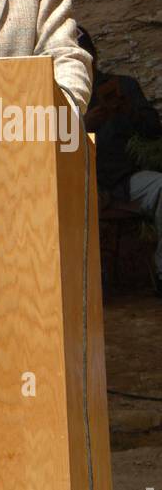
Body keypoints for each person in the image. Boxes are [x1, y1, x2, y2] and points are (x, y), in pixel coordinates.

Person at [79, 26, 162, 296]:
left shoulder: (123, 85)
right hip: (80, 185)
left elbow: (153, 130)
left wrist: (129, 109)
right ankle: (80, 289)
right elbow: (43, 143)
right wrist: (81, 125)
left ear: (95, 55)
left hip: (125, 181)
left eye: (86, 54)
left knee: (160, 186)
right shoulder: (59, 97)